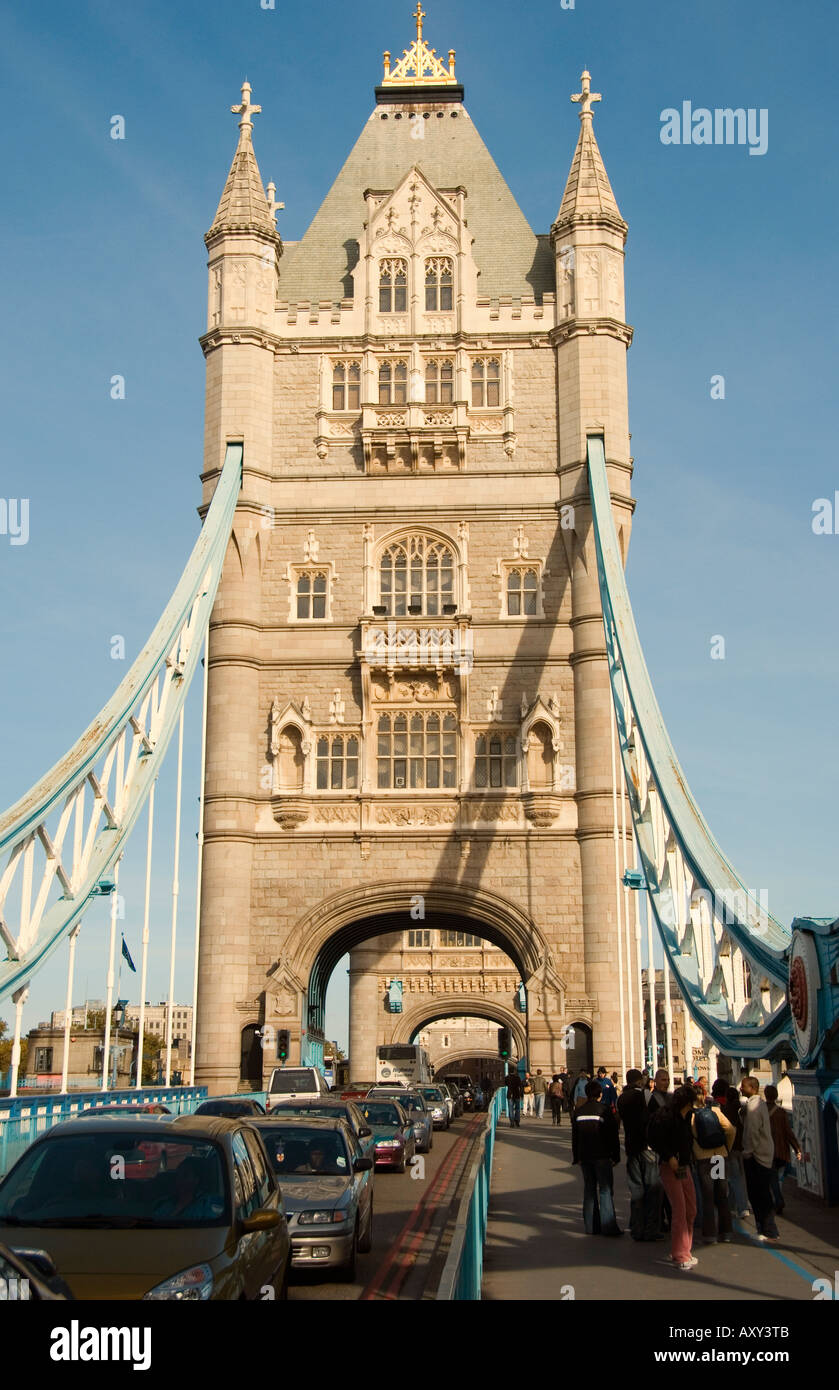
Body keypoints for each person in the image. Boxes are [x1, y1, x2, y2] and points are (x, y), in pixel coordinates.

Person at [648, 1083, 698, 1270]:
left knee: (691, 1208)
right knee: (680, 1209)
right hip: (671, 1167)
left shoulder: (688, 1116)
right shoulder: (666, 1117)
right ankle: (680, 1254)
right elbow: (655, 1139)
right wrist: (669, 1157)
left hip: (684, 1166)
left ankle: (685, 1248)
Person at [617, 1068, 663, 1242]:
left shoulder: (621, 1098)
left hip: (631, 1146)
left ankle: (637, 1228)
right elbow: (659, 1115)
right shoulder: (645, 1095)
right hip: (648, 1146)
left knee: (636, 1189)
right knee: (652, 1190)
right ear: (639, 1081)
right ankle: (651, 1229)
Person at [571, 1080, 623, 1236]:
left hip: (585, 1156)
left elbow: (575, 1137)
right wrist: (616, 1155)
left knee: (589, 1189)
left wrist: (576, 1156)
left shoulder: (578, 1112)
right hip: (602, 1155)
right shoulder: (604, 1110)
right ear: (600, 1094)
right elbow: (612, 1136)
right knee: (605, 1190)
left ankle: (591, 1226)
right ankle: (608, 1226)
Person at [692, 1081, 735, 1244]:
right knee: (722, 1195)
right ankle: (726, 1232)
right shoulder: (715, 1111)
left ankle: (710, 1234)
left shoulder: (692, 1115)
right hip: (720, 1157)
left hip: (704, 1159)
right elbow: (731, 1130)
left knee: (708, 1197)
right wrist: (726, 1148)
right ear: (704, 1095)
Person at [740, 1076, 779, 1242]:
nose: (741, 1089)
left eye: (743, 1086)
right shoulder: (760, 1104)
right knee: (764, 1194)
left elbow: (752, 1132)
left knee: (758, 1194)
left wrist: (747, 1151)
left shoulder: (753, 1106)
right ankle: (768, 1228)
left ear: (752, 1088)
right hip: (766, 1154)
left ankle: (766, 1229)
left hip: (757, 1156)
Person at [765, 1084, 801, 1215]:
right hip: (781, 1150)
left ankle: (777, 1200)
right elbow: (788, 1132)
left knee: (771, 1178)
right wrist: (797, 1148)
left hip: (767, 1150)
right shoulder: (781, 1112)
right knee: (778, 1177)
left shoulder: (761, 1110)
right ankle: (777, 1199)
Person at [723, 1083, 750, 1217]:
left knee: (733, 1178)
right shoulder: (742, 1110)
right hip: (741, 1147)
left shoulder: (726, 1111)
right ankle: (732, 1206)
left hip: (730, 1148)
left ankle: (742, 1207)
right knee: (738, 1177)